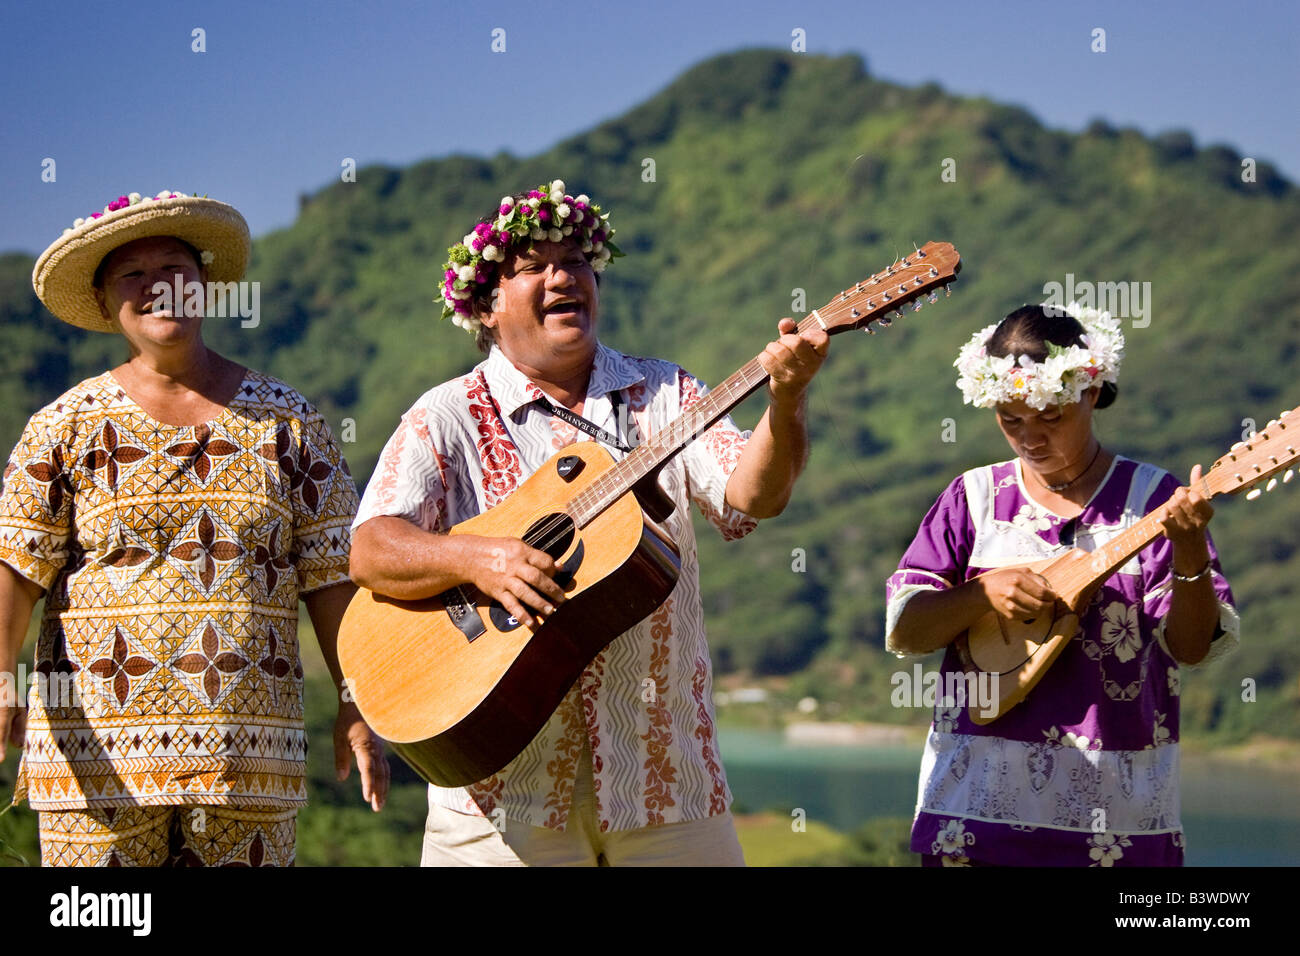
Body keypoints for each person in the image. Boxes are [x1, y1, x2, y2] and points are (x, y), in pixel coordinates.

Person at [349, 179, 828, 866]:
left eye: (574, 260)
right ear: (486, 305)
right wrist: (483, 560)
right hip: (499, 801)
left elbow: (754, 495)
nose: (563, 275)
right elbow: (371, 549)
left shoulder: (666, 393)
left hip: (667, 784)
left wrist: (787, 401)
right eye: (535, 266)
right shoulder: (445, 415)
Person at [0, 190, 388, 866]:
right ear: (104, 302)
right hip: (97, 768)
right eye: (133, 274)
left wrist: (356, 700)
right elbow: (17, 564)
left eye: (174, 267)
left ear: (204, 284)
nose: (158, 287)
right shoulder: (66, 425)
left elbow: (332, 576)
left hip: (250, 759)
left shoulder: (288, 421)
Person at [885, 303, 1238, 866]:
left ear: (1091, 392)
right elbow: (907, 629)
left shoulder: (1154, 500)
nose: (1030, 437)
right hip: (974, 822)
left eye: (1050, 417)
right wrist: (981, 593)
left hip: (1117, 830)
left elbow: (1193, 648)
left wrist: (1190, 547)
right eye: (1011, 418)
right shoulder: (972, 498)